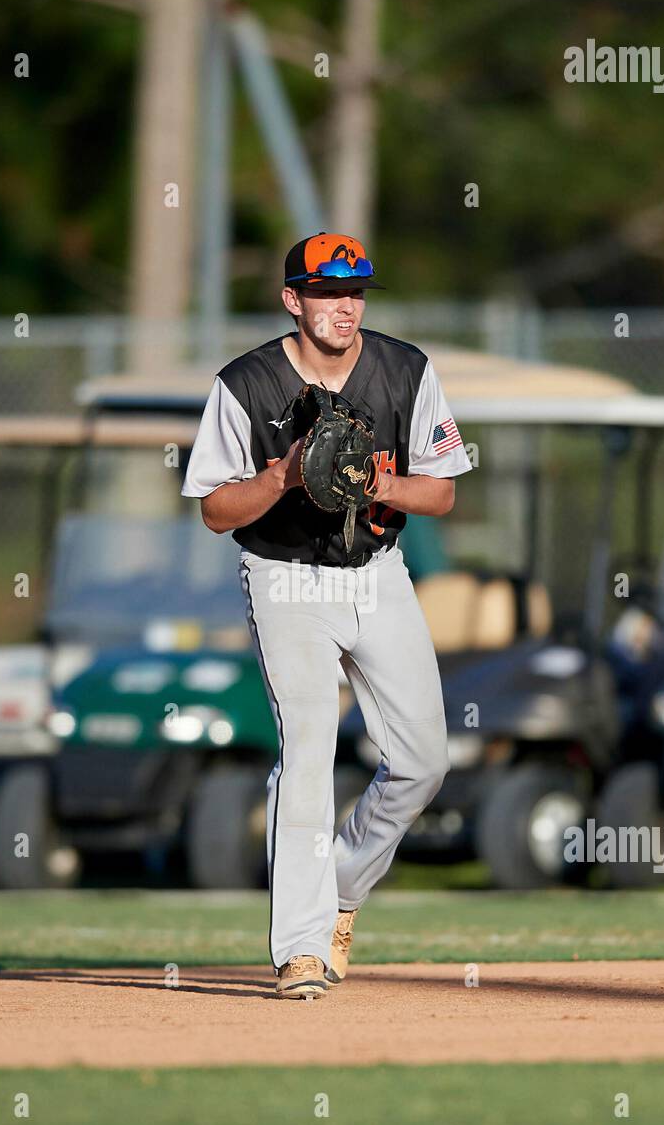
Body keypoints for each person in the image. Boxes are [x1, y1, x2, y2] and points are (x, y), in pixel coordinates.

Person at [181, 232, 471, 998]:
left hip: (377, 574)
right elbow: (215, 509)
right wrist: (281, 476)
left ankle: (340, 887)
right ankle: (300, 950)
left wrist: (377, 488)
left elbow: (440, 491)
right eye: (326, 291)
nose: (344, 306)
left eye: (355, 292)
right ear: (293, 299)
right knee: (308, 752)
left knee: (423, 762)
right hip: (283, 579)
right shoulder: (244, 384)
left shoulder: (405, 370)